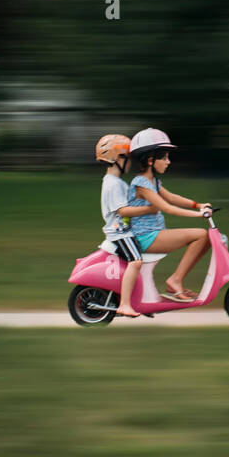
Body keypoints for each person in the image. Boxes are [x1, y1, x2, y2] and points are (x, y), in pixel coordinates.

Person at [125, 127, 212, 301]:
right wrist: (199, 215)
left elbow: (172, 198)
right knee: (201, 235)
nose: (168, 162)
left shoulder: (153, 181)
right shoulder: (141, 183)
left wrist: (198, 205)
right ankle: (175, 280)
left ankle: (176, 279)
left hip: (154, 234)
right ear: (150, 160)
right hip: (145, 237)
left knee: (205, 238)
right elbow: (167, 208)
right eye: (164, 157)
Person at [95, 133, 161, 318]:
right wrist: (150, 209)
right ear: (116, 159)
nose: (130, 163)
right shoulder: (112, 184)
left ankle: (143, 300)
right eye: (127, 158)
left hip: (126, 231)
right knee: (136, 261)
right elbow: (123, 211)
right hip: (119, 233)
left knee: (146, 259)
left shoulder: (117, 182)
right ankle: (124, 304)